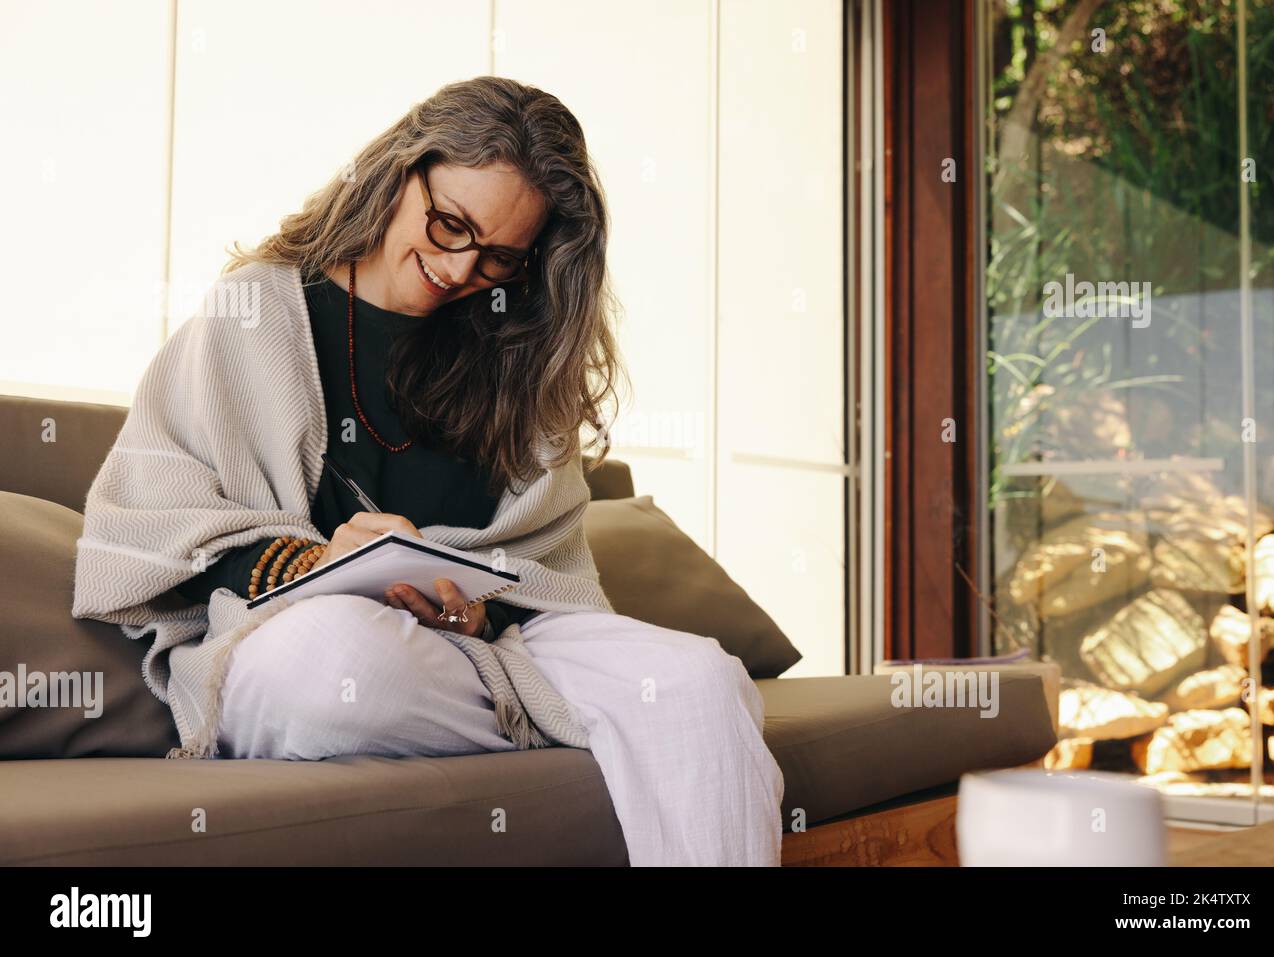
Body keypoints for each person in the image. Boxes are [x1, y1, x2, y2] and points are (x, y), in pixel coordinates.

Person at [72, 76, 784, 866]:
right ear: (401, 169)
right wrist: (318, 562)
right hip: (305, 642)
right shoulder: (258, 312)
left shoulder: (518, 354)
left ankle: (571, 716)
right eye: (450, 224)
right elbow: (156, 516)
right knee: (329, 660)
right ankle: (578, 724)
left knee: (701, 685)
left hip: (487, 654)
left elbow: (539, 573)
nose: (459, 268)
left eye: (499, 258)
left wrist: (479, 614)